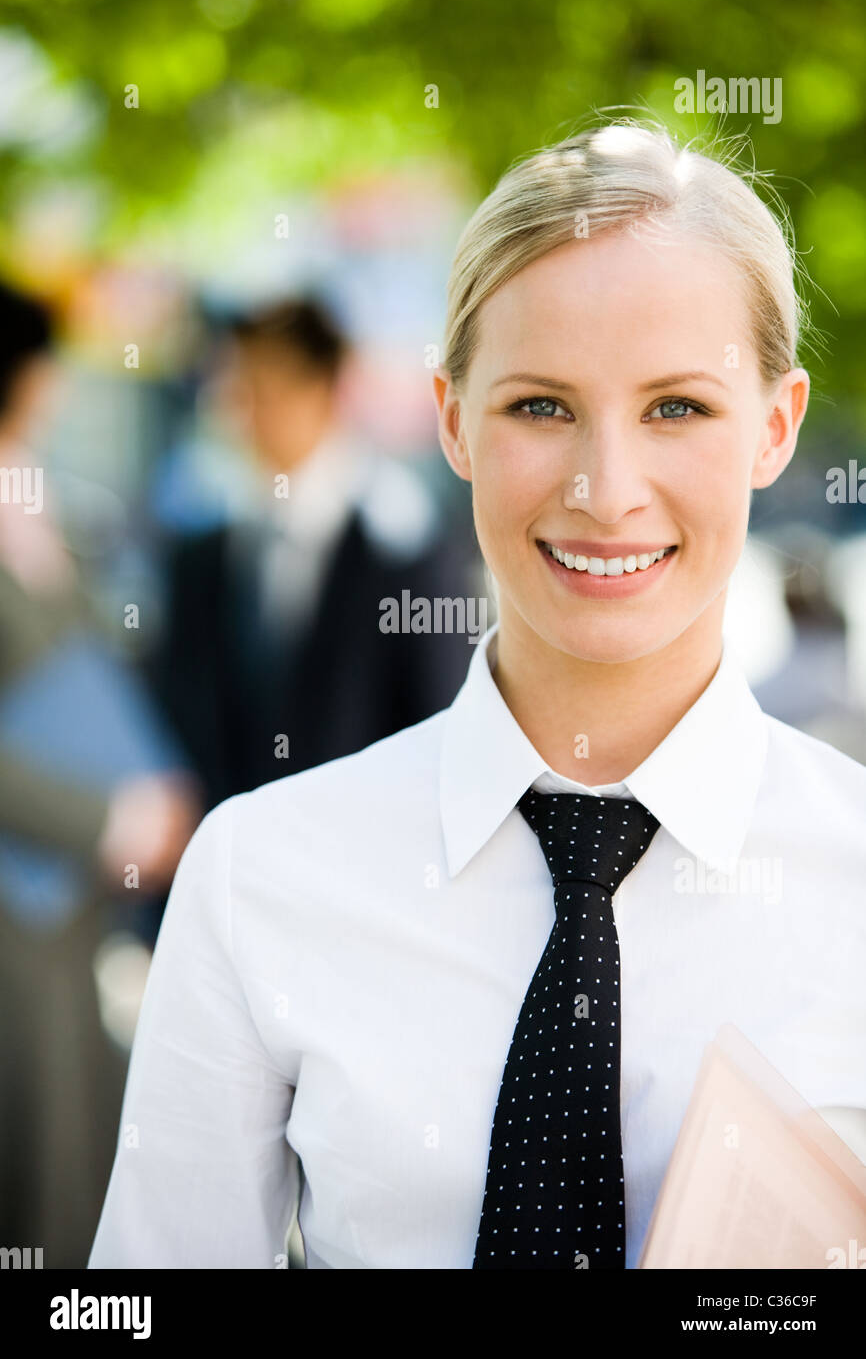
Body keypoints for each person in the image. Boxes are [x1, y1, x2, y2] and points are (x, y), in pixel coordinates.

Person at [88, 121, 865, 1270]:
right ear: (450, 419)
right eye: (540, 406)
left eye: (677, 407)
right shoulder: (261, 873)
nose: (606, 491)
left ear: (774, 426)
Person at [0, 280, 201, 1266]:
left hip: (68, 907)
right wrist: (106, 818)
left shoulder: (37, 503)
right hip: (16, 903)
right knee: (34, 1165)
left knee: (81, 1162)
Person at [146, 296, 477, 814]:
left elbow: (439, 722)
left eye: (265, 389)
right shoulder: (201, 556)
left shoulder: (406, 545)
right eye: (238, 389)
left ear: (324, 389)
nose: (246, 411)